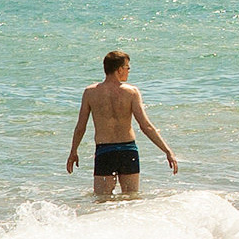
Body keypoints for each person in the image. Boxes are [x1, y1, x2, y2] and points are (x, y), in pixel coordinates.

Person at [69, 50, 179, 197]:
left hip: (104, 151)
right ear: (119, 69)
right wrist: (168, 151)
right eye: (127, 67)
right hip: (128, 150)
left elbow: (80, 127)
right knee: (131, 199)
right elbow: (146, 126)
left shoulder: (90, 93)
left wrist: (73, 152)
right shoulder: (131, 92)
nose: (128, 70)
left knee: (103, 201)